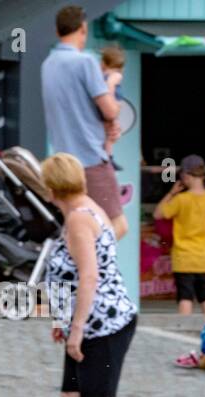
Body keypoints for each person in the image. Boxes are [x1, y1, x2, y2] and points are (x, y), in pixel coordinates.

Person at [42, 153, 137, 397]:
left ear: (52, 189)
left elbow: (89, 277)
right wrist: (62, 322)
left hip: (104, 324)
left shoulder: (80, 219)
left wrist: (77, 330)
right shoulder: (85, 211)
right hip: (86, 322)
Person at [41, 6, 127, 240]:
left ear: (57, 31)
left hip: (63, 163)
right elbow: (110, 110)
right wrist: (112, 82)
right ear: (83, 29)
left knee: (76, 222)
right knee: (116, 226)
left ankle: (76, 266)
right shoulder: (85, 62)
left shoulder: (48, 64)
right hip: (90, 158)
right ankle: (86, 268)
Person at [157, 156, 205, 368]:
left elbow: (159, 213)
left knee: (185, 297)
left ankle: (182, 335)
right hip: (204, 257)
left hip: (183, 257)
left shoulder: (181, 200)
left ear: (186, 175)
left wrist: (172, 193)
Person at [99, 43, 125, 168]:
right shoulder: (114, 77)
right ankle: (108, 157)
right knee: (110, 134)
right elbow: (110, 92)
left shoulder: (103, 76)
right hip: (111, 107)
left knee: (109, 135)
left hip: (111, 107)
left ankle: (108, 157)